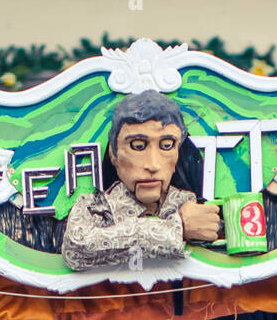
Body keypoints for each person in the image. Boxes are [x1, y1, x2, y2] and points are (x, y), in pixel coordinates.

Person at [60, 90, 223, 271]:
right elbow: (75, 250)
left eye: (167, 145)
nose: (153, 165)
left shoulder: (189, 203)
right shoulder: (94, 207)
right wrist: (177, 227)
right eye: (137, 146)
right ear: (114, 154)